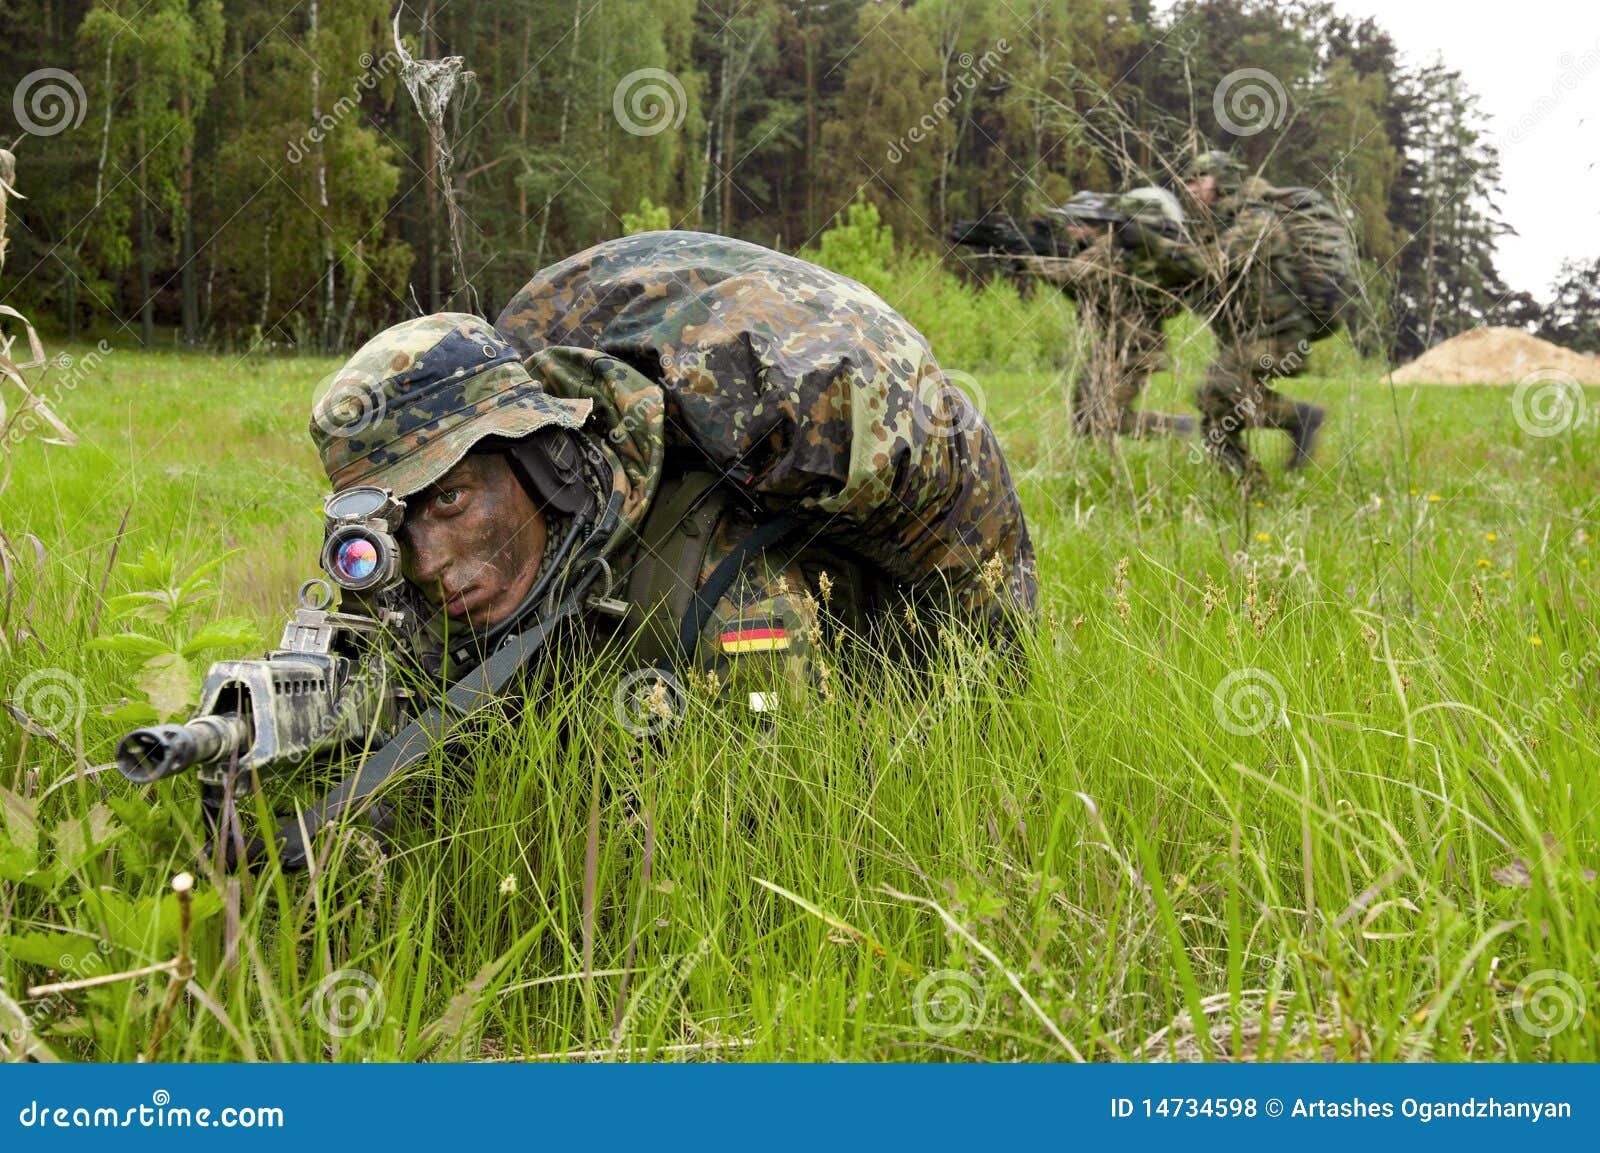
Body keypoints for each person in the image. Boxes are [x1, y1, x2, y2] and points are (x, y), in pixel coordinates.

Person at [311, 231, 1037, 717]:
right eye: (397, 525)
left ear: (541, 458)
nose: (429, 563)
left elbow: (755, 861)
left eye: (450, 498)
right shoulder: (424, 584)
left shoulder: (728, 604)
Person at [951, 190, 1199, 441]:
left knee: (1103, 414)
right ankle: (1099, 459)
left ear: (1091, 224)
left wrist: (1027, 262)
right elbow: (1079, 287)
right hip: (1118, 343)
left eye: (1075, 223)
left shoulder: (1108, 248)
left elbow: (1073, 274)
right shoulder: (1100, 247)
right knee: (1086, 411)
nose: (1069, 230)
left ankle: (1178, 429)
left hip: (1135, 346)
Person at [1177, 150, 1352, 478]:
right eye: (1187, 181)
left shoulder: (1256, 220)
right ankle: (1250, 489)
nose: (1191, 188)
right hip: (1254, 336)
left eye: (1199, 179)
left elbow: (1212, 262)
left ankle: (1301, 418)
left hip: (1283, 335)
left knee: (1217, 387)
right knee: (1215, 415)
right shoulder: (1215, 224)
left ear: (1224, 181)